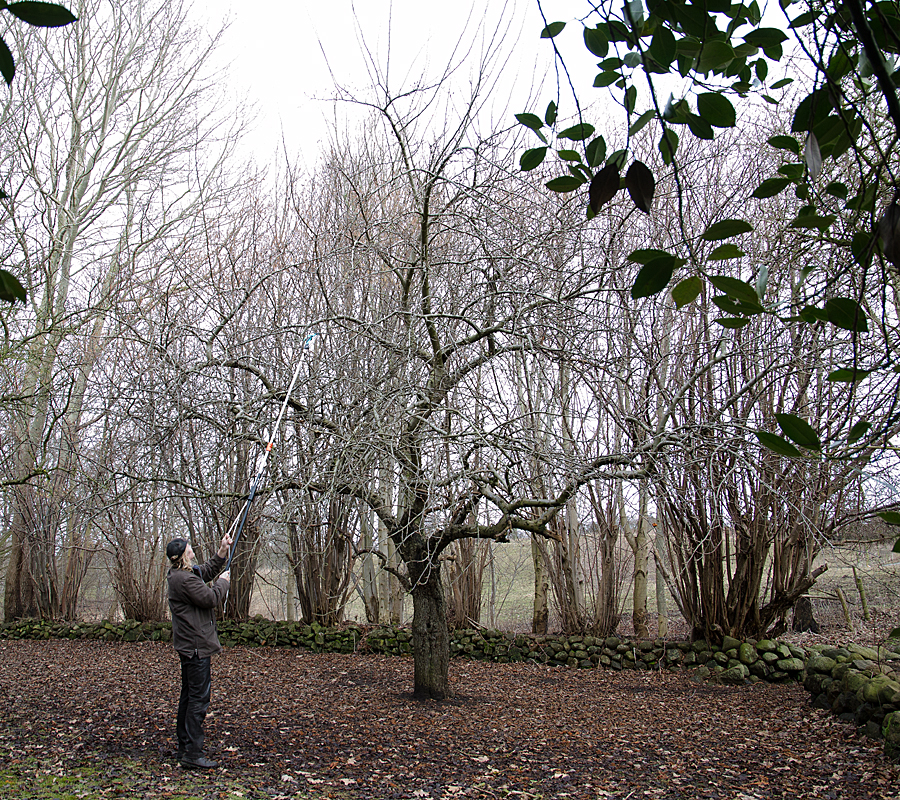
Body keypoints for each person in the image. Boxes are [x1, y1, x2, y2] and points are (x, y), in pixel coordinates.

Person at [166, 533, 232, 770]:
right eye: (189, 548)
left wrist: (222, 551)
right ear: (184, 554)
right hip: (195, 648)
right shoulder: (184, 580)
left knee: (189, 697)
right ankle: (193, 753)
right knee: (198, 700)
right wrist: (224, 581)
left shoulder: (181, 574)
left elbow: (204, 571)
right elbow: (211, 598)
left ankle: (186, 747)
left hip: (189, 646)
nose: (192, 549)